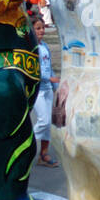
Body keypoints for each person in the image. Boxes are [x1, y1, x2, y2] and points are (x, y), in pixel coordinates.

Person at [30, 13, 59, 166]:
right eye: (37, 28)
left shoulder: (45, 46)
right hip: (37, 90)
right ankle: (25, 148)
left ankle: (44, 154)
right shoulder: (30, 48)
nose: (41, 31)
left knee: (49, 124)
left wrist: (56, 87)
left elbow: (50, 68)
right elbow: (32, 71)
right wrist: (48, 79)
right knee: (44, 120)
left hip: (47, 89)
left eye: (42, 28)